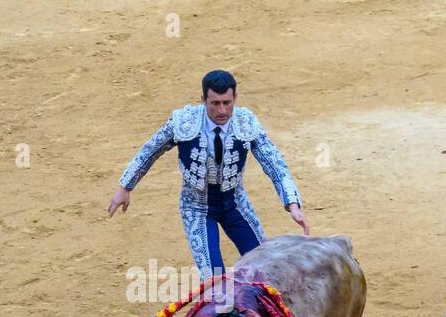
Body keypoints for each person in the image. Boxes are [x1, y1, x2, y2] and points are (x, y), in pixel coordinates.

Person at [108, 69, 309, 282]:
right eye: (215, 104)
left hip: (235, 203)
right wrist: (125, 187)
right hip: (197, 207)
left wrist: (292, 204)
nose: (222, 110)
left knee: (264, 272)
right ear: (203, 100)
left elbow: (275, 163)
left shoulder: (246, 122)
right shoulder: (184, 121)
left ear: (235, 99)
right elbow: (150, 151)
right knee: (215, 281)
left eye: (227, 102)